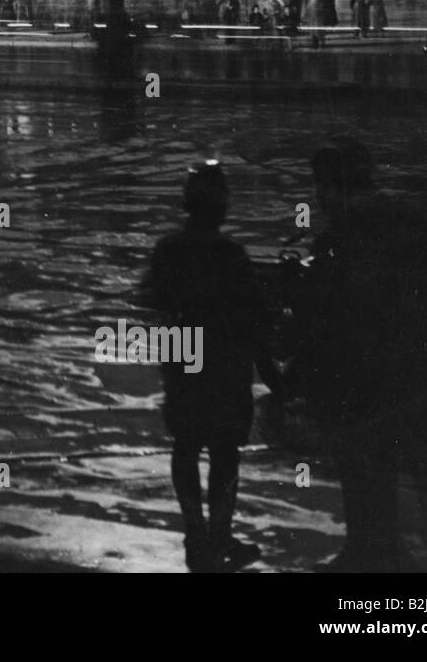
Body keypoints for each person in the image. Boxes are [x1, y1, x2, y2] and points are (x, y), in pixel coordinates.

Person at [299, 138, 427, 571]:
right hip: (409, 360)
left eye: (318, 186)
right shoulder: (407, 214)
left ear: (329, 186)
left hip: (359, 366)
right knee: (387, 458)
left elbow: (325, 306)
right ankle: (390, 547)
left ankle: (364, 548)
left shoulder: (341, 230)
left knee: (358, 461)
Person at [140, 160, 276, 572]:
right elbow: (255, 317)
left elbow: (153, 302)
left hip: (183, 355)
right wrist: (272, 373)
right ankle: (219, 531)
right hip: (223, 362)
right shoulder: (231, 254)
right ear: (223, 208)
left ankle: (194, 529)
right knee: (224, 450)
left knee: (185, 444)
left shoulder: (168, 249)